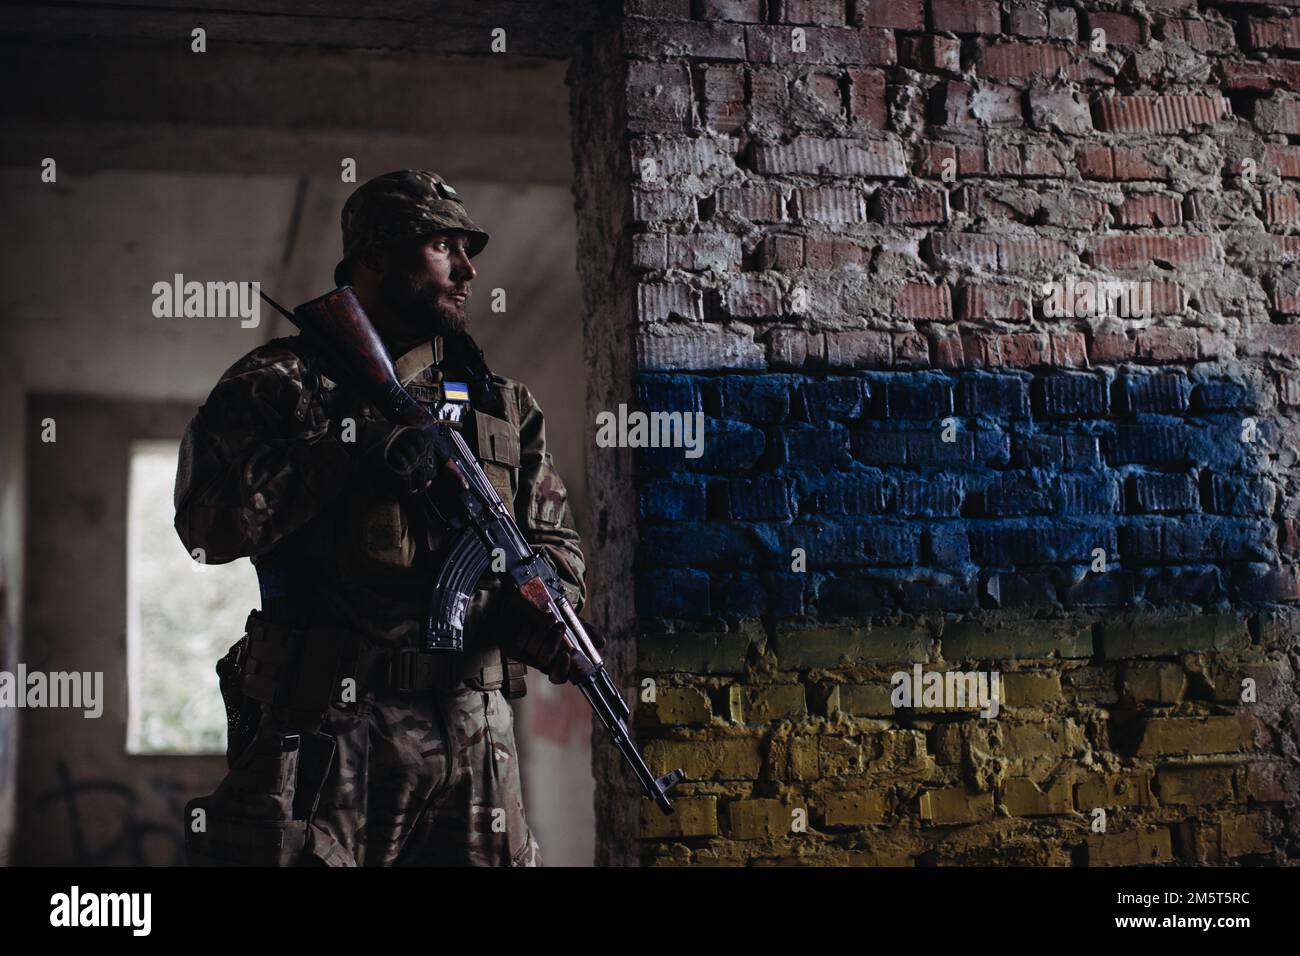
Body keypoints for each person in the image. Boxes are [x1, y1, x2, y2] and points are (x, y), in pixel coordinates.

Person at [173, 169, 590, 866]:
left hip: (477, 740)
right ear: (374, 256)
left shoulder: (501, 403)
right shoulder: (280, 383)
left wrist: (548, 604)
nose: (467, 269)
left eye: (468, 249)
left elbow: (556, 543)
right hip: (333, 733)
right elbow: (206, 530)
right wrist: (351, 448)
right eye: (442, 245)